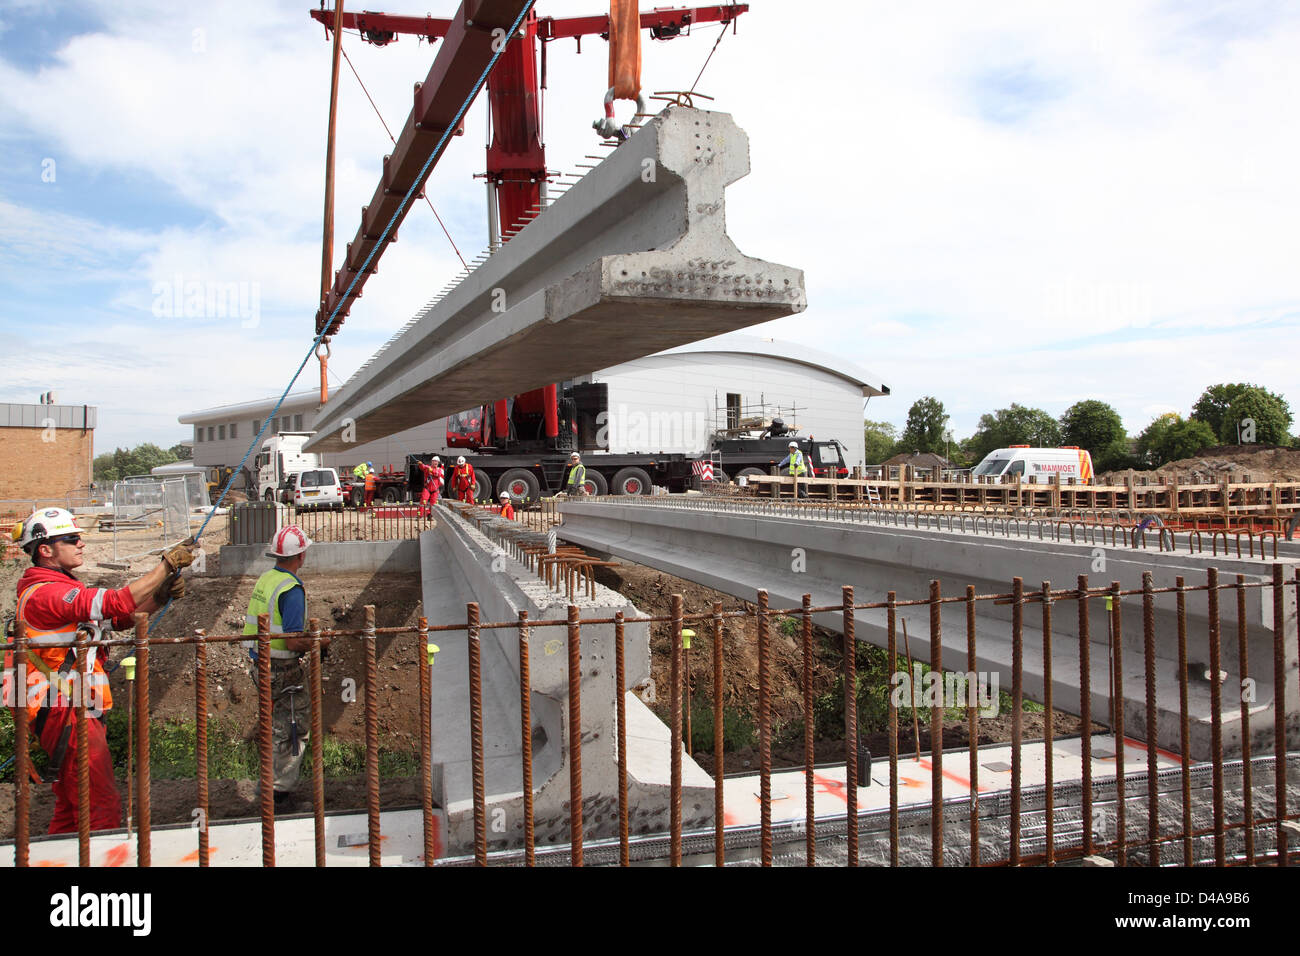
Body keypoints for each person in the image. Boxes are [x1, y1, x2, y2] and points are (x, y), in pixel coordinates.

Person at [4, 508, 195, 834]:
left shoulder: (55, 585)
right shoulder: (46, 593)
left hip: (66, 707)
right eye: (71, 539)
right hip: (65, 711)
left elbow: (115, 620)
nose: (81, 543)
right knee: (101, 807)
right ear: (45, 550)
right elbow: (114, 603)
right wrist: (165, 567)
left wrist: (157, 599)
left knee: (71, 807)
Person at [241, 525, 326, 808]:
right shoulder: (291, 589)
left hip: (260, 663)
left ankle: (272, 783)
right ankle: (279, 793)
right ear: (300, 555)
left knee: (276, 723)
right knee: (293, 725)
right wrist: (318, 643)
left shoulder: (266, 578)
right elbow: (291, 641)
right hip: (281, 668)